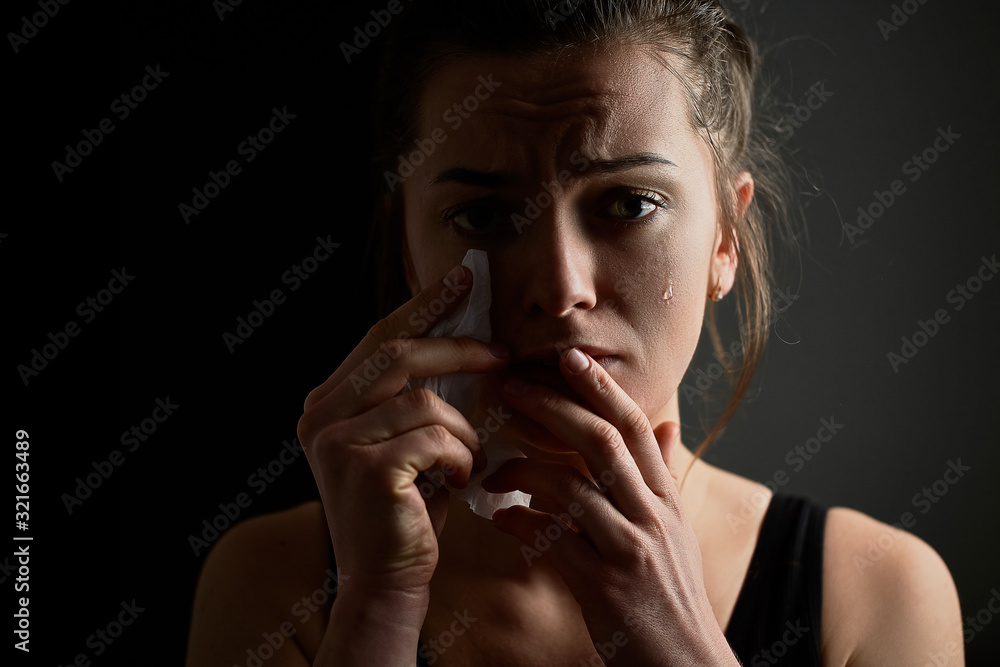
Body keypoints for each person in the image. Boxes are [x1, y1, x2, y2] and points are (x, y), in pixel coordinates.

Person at [186, 2, 964, 664]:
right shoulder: (272, 581)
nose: (560, 290)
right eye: (481, 215)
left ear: (725, 239)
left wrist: (685, 648)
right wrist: (374, 612)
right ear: (409, 251)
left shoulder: (874, 591)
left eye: (627, 204)